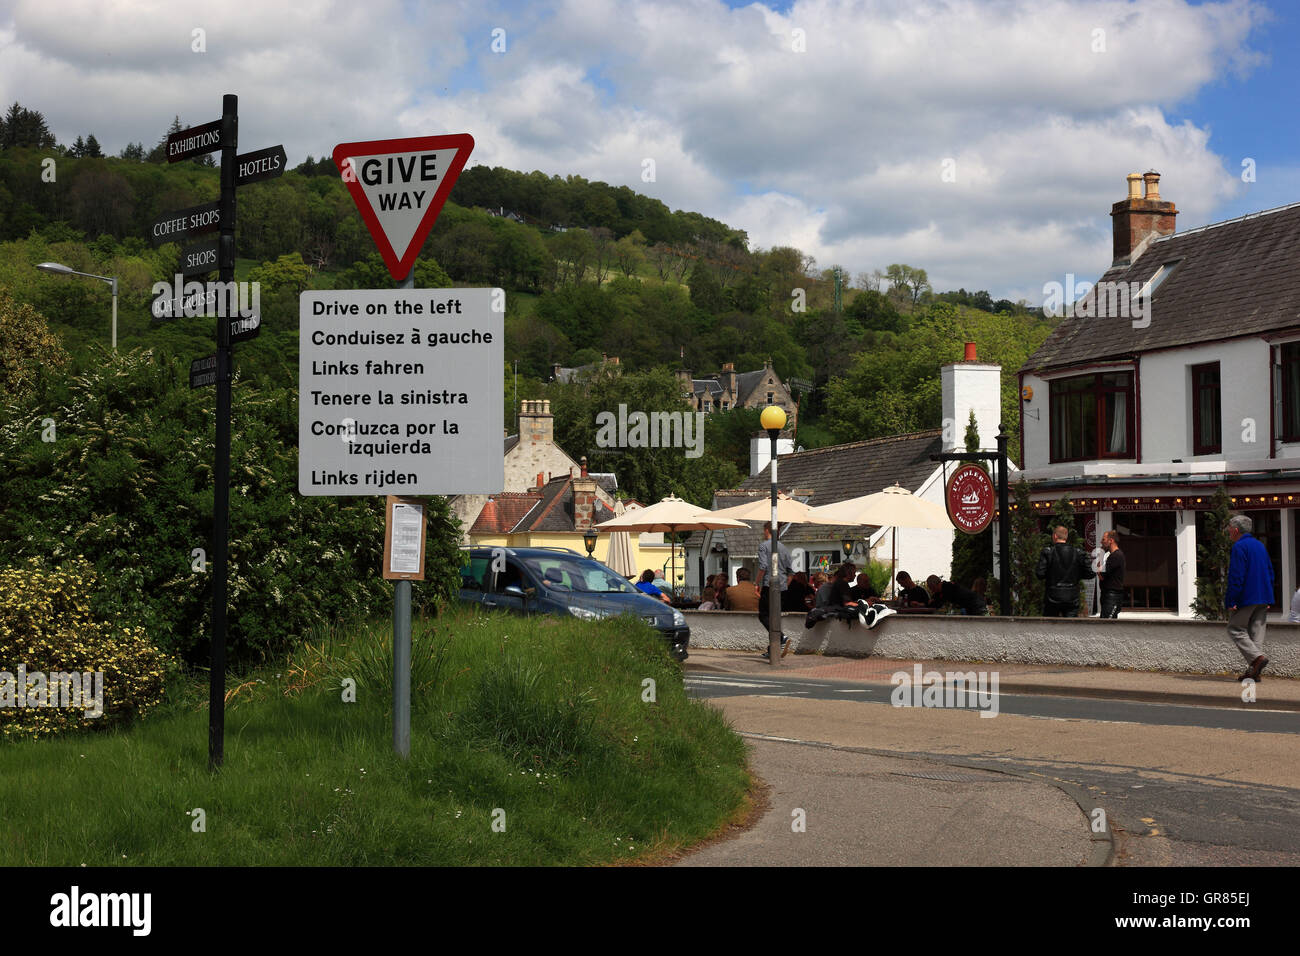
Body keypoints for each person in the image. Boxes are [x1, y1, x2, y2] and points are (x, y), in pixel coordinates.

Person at [1225, 514, 1273, 682]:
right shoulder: (1260, 545)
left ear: (1236, 530)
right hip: (1263, 596)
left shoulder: (1239, 546)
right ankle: (1254, 671)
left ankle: (1258, 659)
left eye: (1229, 529)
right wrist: (1269, 597)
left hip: (1247, 597)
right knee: (1256, 634)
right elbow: (1269, 571)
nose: (1228, 532)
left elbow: (1236, 576)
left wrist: (1232, 601)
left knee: (1235, 628)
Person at [1035, 525, 1094, 617]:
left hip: (1052, 596)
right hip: (1072, 596)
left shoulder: (1048, 552)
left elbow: (1040, 574)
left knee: (1050, 628)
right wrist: (1076, 576)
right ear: (1066, 536)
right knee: (1071, 628)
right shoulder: (1079, 552)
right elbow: (1090, 573)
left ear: (1055, 536)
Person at [755, 525, 794, 656]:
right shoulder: (784, 548)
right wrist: (785, 585)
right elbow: (791, 573)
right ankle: (773, 650)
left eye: (763, 531)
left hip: (769, 585)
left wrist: (756, 583)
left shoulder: (764, 546)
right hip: (782, 588)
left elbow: (763, 567)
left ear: (767, 530)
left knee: (764, 615)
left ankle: (782, 638)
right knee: (774, 617)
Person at [1099, 531, 1126, 619]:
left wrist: (1098, 569)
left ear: (1111, 540)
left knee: (1107, 626)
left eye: (1103, 539)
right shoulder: (1112, 556)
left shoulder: (1116, 556)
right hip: (1109, 595)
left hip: (1112, 596)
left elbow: (1101, 576)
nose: (1101, 542)